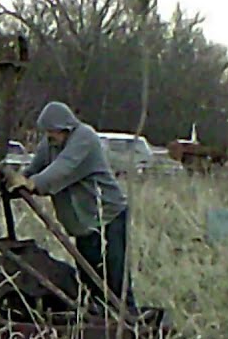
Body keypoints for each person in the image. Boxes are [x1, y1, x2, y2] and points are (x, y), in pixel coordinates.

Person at [7, 101, 138, 316]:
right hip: (82, 221)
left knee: (115, 272)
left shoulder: (85, 138)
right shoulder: (49, 144)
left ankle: (128, 317)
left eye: (53, 132)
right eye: (47, 133)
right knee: (88, 272)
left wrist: (33, 184)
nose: (50, 137)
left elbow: (63, 168)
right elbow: (35, 167)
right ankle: (98, 315)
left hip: (108, 215)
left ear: (66, 129)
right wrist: (18, 179)